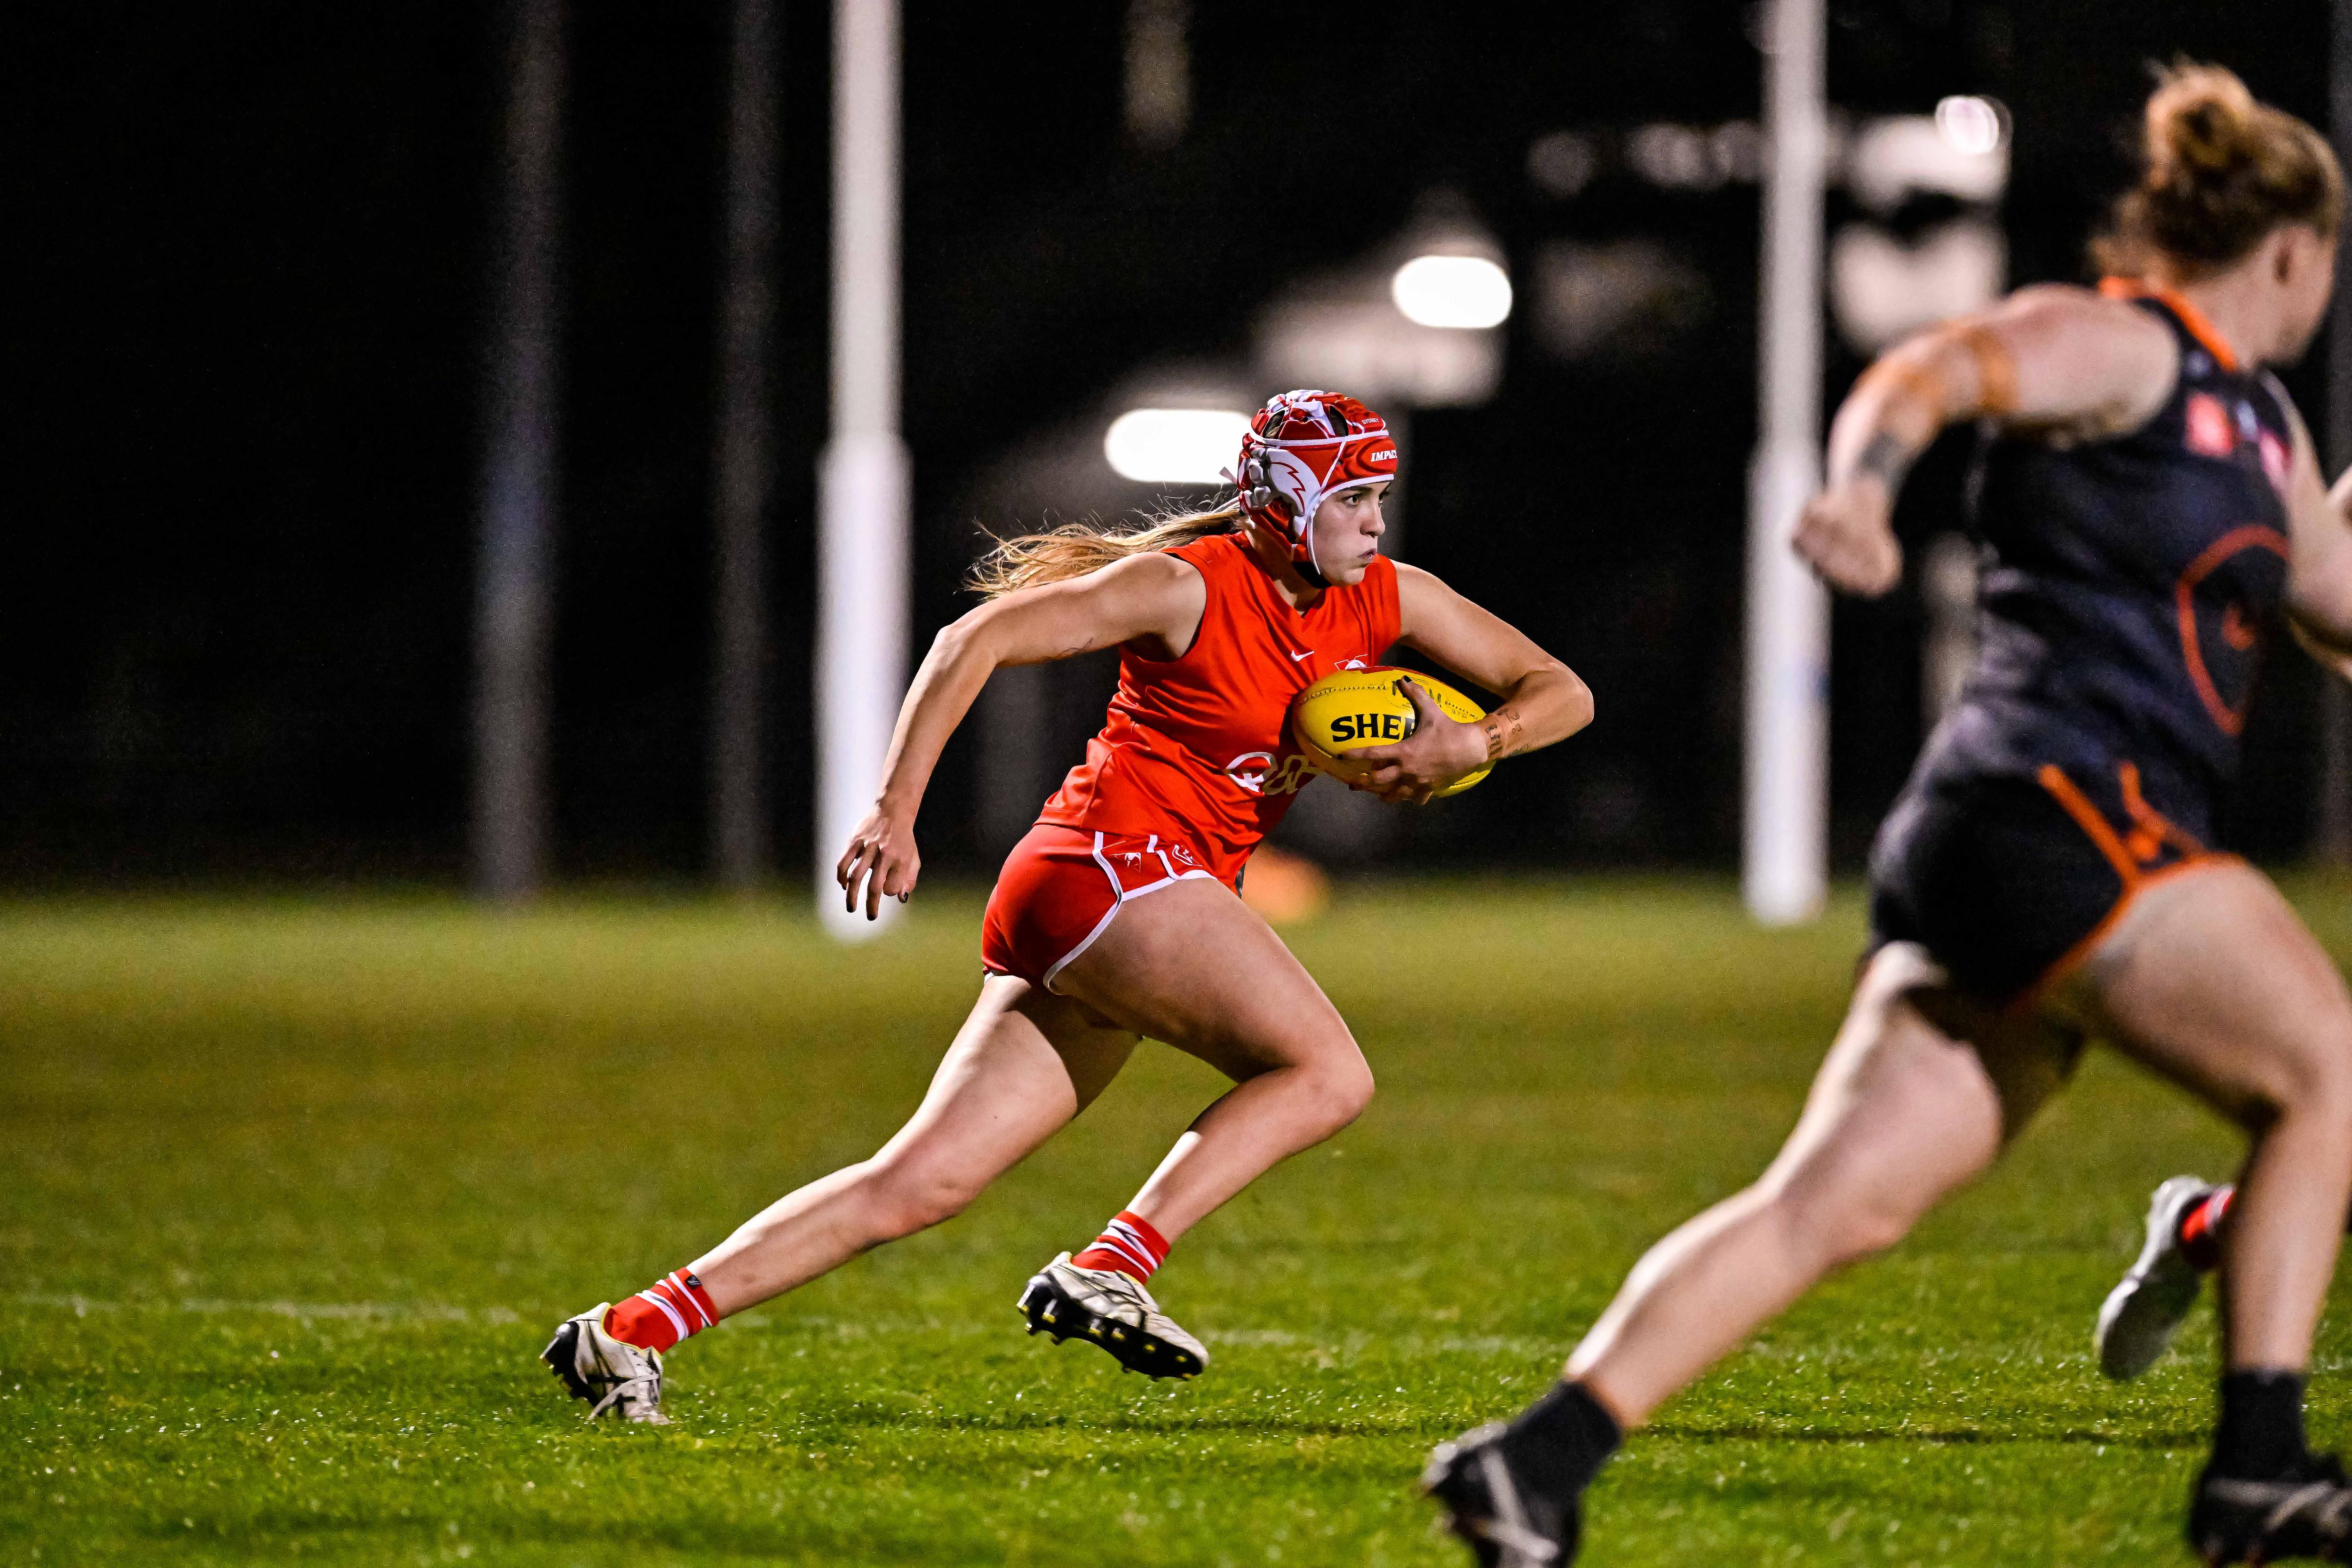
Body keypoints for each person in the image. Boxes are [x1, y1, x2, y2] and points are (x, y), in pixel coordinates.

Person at [1424, 64, 2352, 1566]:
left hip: (2011, 844)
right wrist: (1859, 489)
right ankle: (2256, 1460)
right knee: (2330, 1070)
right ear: (2296, 249)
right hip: (2067, 801)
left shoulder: (2263, 433)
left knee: (1829, 1205)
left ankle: (1538, 1457)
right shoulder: (2125, 342)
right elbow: (1929, 372)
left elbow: (2332, 603)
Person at [540, 388, 1593, 1423]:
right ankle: (1112, 1264)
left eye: (1378, 497)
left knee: (919, 1181)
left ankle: (629, 1328)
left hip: (1126, 891)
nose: (1373, 520)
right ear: (1281, 498)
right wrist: (895, 811)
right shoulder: (1182, 585)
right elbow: (971, 640)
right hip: (1113, 865)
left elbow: (1560, 688)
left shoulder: (1389, 595)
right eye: (1351, 496)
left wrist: (1481, 741)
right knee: (1326, 1071)